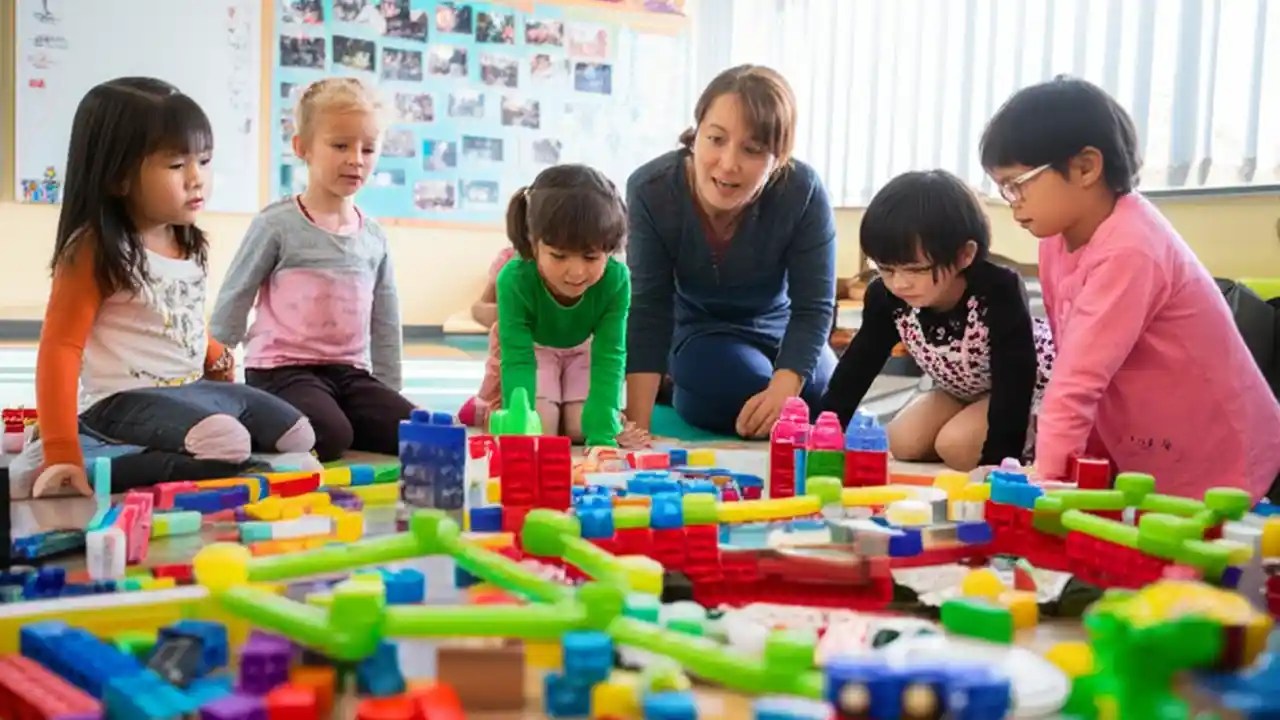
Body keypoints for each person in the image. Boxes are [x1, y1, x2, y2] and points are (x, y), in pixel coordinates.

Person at [981, 76, 1280, 500]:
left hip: (1218, 449)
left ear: (1086, 167)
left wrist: (1044, 486)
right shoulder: (1053, 240)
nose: (1013, 201)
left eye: (1017, 184)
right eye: (1002, 188)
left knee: (1201, 555)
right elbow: (1078, 360)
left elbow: (1074, 384)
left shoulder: (1131, 248)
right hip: (1149, 439)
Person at [33, 77, 315, 497]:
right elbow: (60, 348)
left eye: (203, 161)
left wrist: (214, 353)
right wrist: (60, 451)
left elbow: (177, 318)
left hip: (189, 391)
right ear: (118, 178)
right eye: (176, 165)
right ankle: (95, 461)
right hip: (120, 402)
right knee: (228, 444)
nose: (196, 178)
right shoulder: (96, 250)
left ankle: (201, 455)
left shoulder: (184, 238)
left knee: (298, 433)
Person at [625, 64, 837, 439]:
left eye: (753, 149)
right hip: (702, 333)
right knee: (742, 384)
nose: (728, 164)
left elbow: (814, 306)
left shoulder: (802, 191)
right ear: (696, 133)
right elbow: (648, 308)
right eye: (716, 139)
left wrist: (783, 393)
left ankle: (704, 394)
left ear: (778, 158)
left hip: (780, 327)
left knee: (825, 397)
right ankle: (678, 388)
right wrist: (636, 427)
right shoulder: (650, 190)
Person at [211, 77, 414, 462]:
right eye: (340, 146)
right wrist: (215, 375)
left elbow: (386, 321)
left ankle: (333, 419)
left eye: (368, 148)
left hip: (348, 373)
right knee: (330, 436)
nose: (356, 159)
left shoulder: (373, 237)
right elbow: (236, 295)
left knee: (414, 431)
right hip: (281, 370)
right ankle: (258, 413)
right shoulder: (277, 224)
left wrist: (387, 393)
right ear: (302, 148)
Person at [821, 170, 1055, 471]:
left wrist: (997, 463)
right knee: (901, 441)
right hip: (964, 391)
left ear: (964, 255)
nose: (900, 284)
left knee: (956, 446)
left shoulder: (998, 290)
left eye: (915, 270)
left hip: (1029, 388)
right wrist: (824, 428)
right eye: (887, 269)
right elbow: (860, 362)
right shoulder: (886, 295)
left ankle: (1034, 439)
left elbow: (1015, 377)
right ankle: (970, 423)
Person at [495, 164, 645, 448]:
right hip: (537, 351)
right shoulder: (514, 279)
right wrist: (518, 425)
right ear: (532, 242)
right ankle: (487, 402)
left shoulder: (616, 279)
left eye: (590, 258)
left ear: (610, 248)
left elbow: (610, 356)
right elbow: (517, 357)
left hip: (583, 352)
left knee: (581, 428)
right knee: (541, 427)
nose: (575, 273)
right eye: (559, 256)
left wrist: (603, 434)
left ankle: (590, 413)